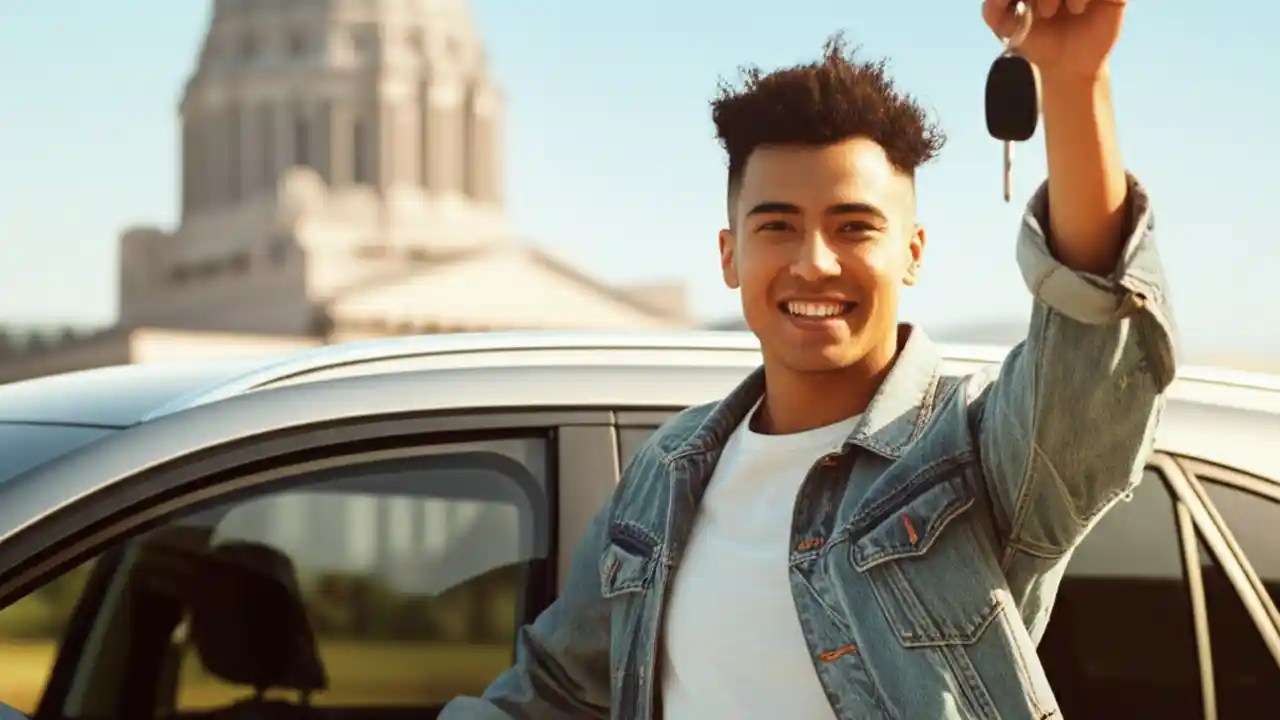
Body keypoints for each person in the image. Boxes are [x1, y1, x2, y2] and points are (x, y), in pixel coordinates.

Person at [442, 0, 1175, 717]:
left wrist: (1078, 85)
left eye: (854, 227)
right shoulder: (664, 476)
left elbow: (1089, 350)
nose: (814, 263)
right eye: (778, 227)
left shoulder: (973, 454)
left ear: (912, 254)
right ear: (730, 256)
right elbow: (555, 692)